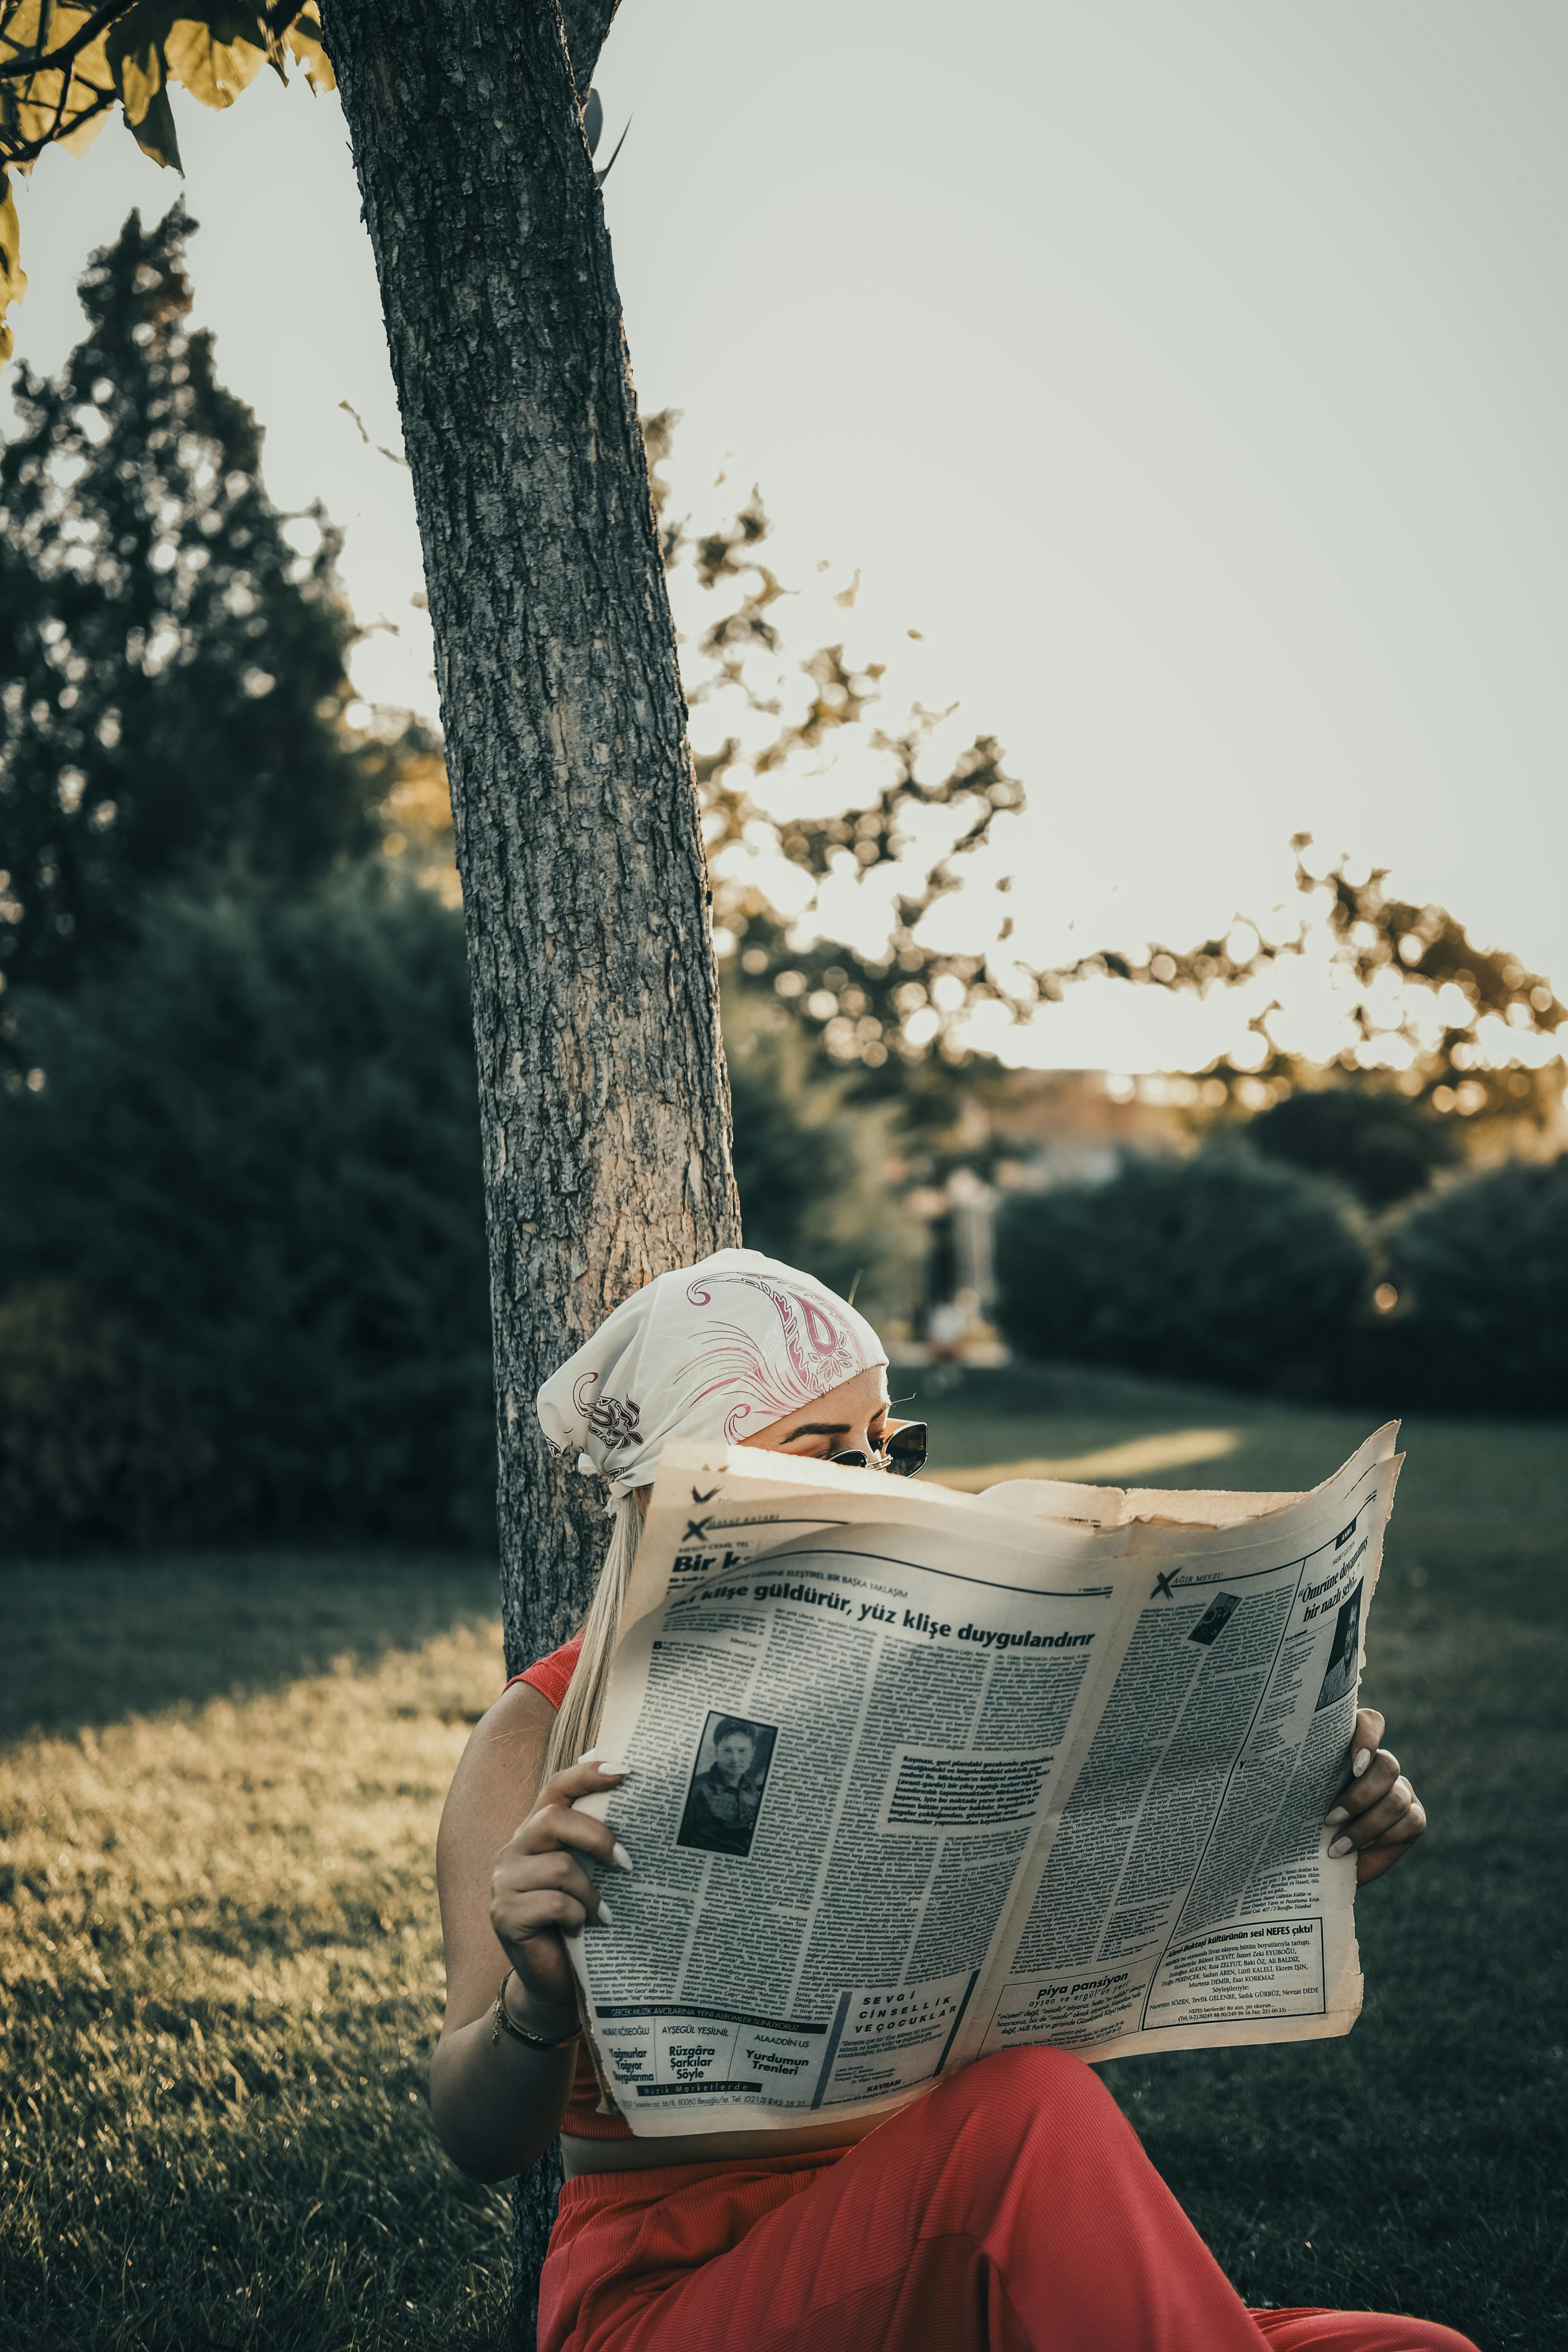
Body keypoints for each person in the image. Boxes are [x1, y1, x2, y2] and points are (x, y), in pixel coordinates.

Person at [432, 1248, 1468, 2352]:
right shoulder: (539, 1732)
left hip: (945, 2255)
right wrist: (537, 2006)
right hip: (683, 2303)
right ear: (686, 1488)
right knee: (1028, 2111)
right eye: (827, 1455)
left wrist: (1306, 1819)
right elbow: (475, 2138)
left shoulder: (959, 1671)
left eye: (890, 1445)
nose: (882, 1481)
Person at [679, 1718, 767, 1857]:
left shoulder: (755, 1792)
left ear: (753, 1752)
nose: (735, 1759)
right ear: (717, 1751)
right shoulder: (696, 1790)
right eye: (727, 1750)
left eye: (742, 1751)